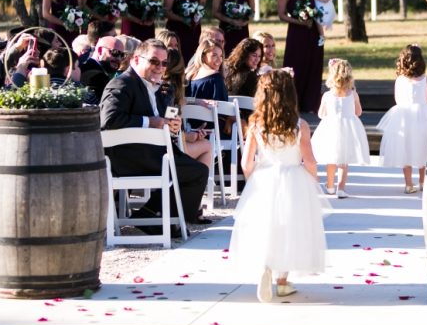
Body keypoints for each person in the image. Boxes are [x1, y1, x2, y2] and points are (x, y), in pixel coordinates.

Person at [229, 70, 327, 302]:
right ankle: (282, 281)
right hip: (293, 178)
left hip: (264, 179)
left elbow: (246, 161)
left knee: (266, 226)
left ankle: (265, 266)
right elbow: (310, 160)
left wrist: (253, 179)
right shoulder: (299, 126)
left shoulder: (255, 125)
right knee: (290, 228)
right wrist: (313, 179)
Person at [99, 39, 210, 236]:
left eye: (164, 63)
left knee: (197, 171)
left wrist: (173, 126)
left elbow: (163, 120)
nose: (160, 68)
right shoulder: (122, 83)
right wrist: (150, 122)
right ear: (136, 59)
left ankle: (153, 217)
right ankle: (159, 220)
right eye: (154, 61)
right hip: (128, 157)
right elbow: (109, 119)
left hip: (151, 153)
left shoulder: (156, 87)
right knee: (196, 172)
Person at [377, 45, 427, 194]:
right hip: (423, 117)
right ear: (421, 61)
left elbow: (398, 99)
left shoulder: (400, 80)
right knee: (423, 148)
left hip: (404, 117)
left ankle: (408, 184)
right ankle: (423, 183)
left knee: (406, 150)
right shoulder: (426, 80)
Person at [311, 58, 370, 199]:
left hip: (330, 128)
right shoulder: (353, 94)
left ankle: (330, 186)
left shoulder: (327, 95)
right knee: (343, 160)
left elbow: (320, 114)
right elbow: (359, 112)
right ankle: (341, 188)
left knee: (331, 158)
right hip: (349, 129)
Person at [278, 0, 324, 113]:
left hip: (313, 32)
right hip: (297, 33)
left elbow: (321, 4)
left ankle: (310, 104)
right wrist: (299, 21)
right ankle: (293, 104)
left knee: (313, 66)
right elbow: (282, 15)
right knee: (296, 66)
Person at [79, 36, 125, 102]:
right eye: (115, 53)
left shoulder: (93, 68)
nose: (119, 58)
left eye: (122, 55)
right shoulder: (95, 75)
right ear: (100, 50)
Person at [185, 39, 228, 103]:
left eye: (221, 56)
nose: (219, 60)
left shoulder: (189, 76)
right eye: (214, 55)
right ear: (202, 56)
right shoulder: (215, 78)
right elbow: (223, 108)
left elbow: (183, 100)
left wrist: (197, 101)